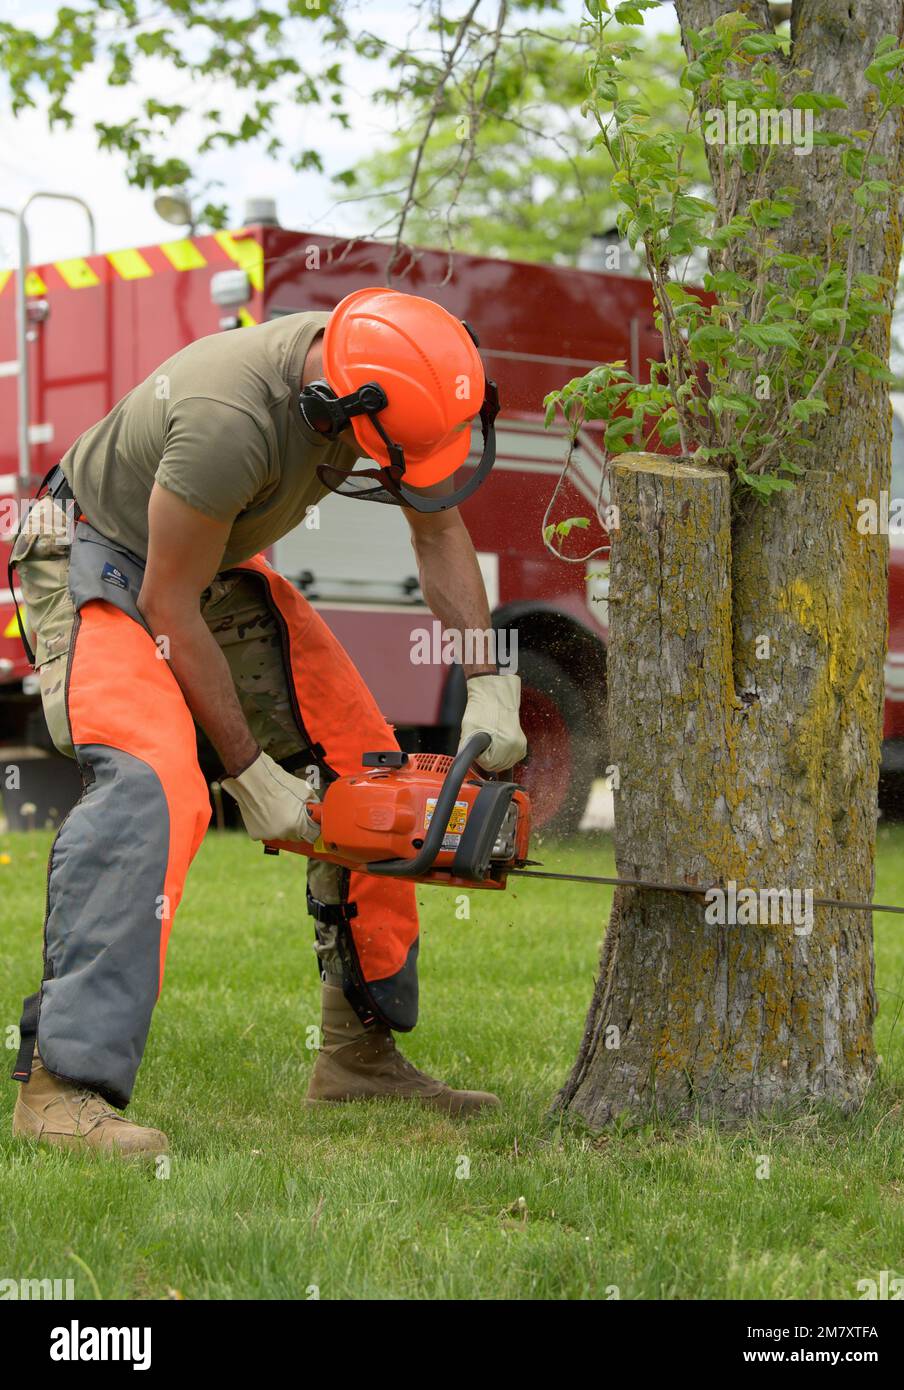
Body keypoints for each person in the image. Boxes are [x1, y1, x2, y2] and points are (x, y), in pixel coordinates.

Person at [9, 287, 526, 1156]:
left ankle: (358, 1056)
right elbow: (166, 605)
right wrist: (252, 778)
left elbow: (438, 537)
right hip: (94, 556)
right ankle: (62, 1090)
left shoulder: (394, 384)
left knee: (370, 773)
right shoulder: (225, 419)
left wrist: (489, 680)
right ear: (341, 406)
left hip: (196, 565)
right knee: (157, 785)